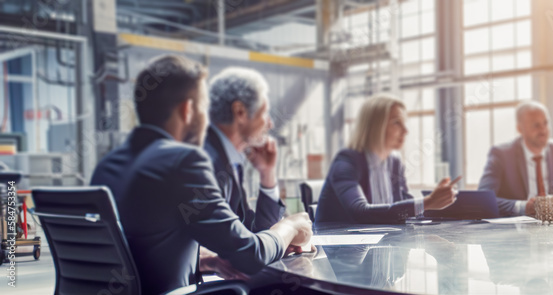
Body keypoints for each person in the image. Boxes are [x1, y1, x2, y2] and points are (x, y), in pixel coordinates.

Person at [90, 55, 313, 294]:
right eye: (203, 108)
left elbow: (141, 247)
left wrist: (204, 260)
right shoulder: (183, 161)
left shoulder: (107, 165)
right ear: (187, 110)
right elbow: (250, 255)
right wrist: (291, 225)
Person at [315, 95, 459, 224]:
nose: (405, 130)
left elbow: (403, 210)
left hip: (383, 245)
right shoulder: (346, 162)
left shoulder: (394, 164)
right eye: (396, 122)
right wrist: (428, 202)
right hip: (342, 250)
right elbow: (360, 212)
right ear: (375, 126)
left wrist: (438, 202)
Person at [203, 67, 284, 232]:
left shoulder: (231, 161)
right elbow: (235, 248)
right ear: (240, 112)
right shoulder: (205, 161)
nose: (270, 124)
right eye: (264, 113)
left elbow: (252, 232)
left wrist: (267, 173)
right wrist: (287, 231)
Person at [478, 101, 553, 216]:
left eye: (545, 123)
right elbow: (483, 200)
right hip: (514, 228)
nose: (543, 130)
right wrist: (524, 207)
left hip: (552, 226)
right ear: (520, 129)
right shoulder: (501, 154)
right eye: (536, 125)